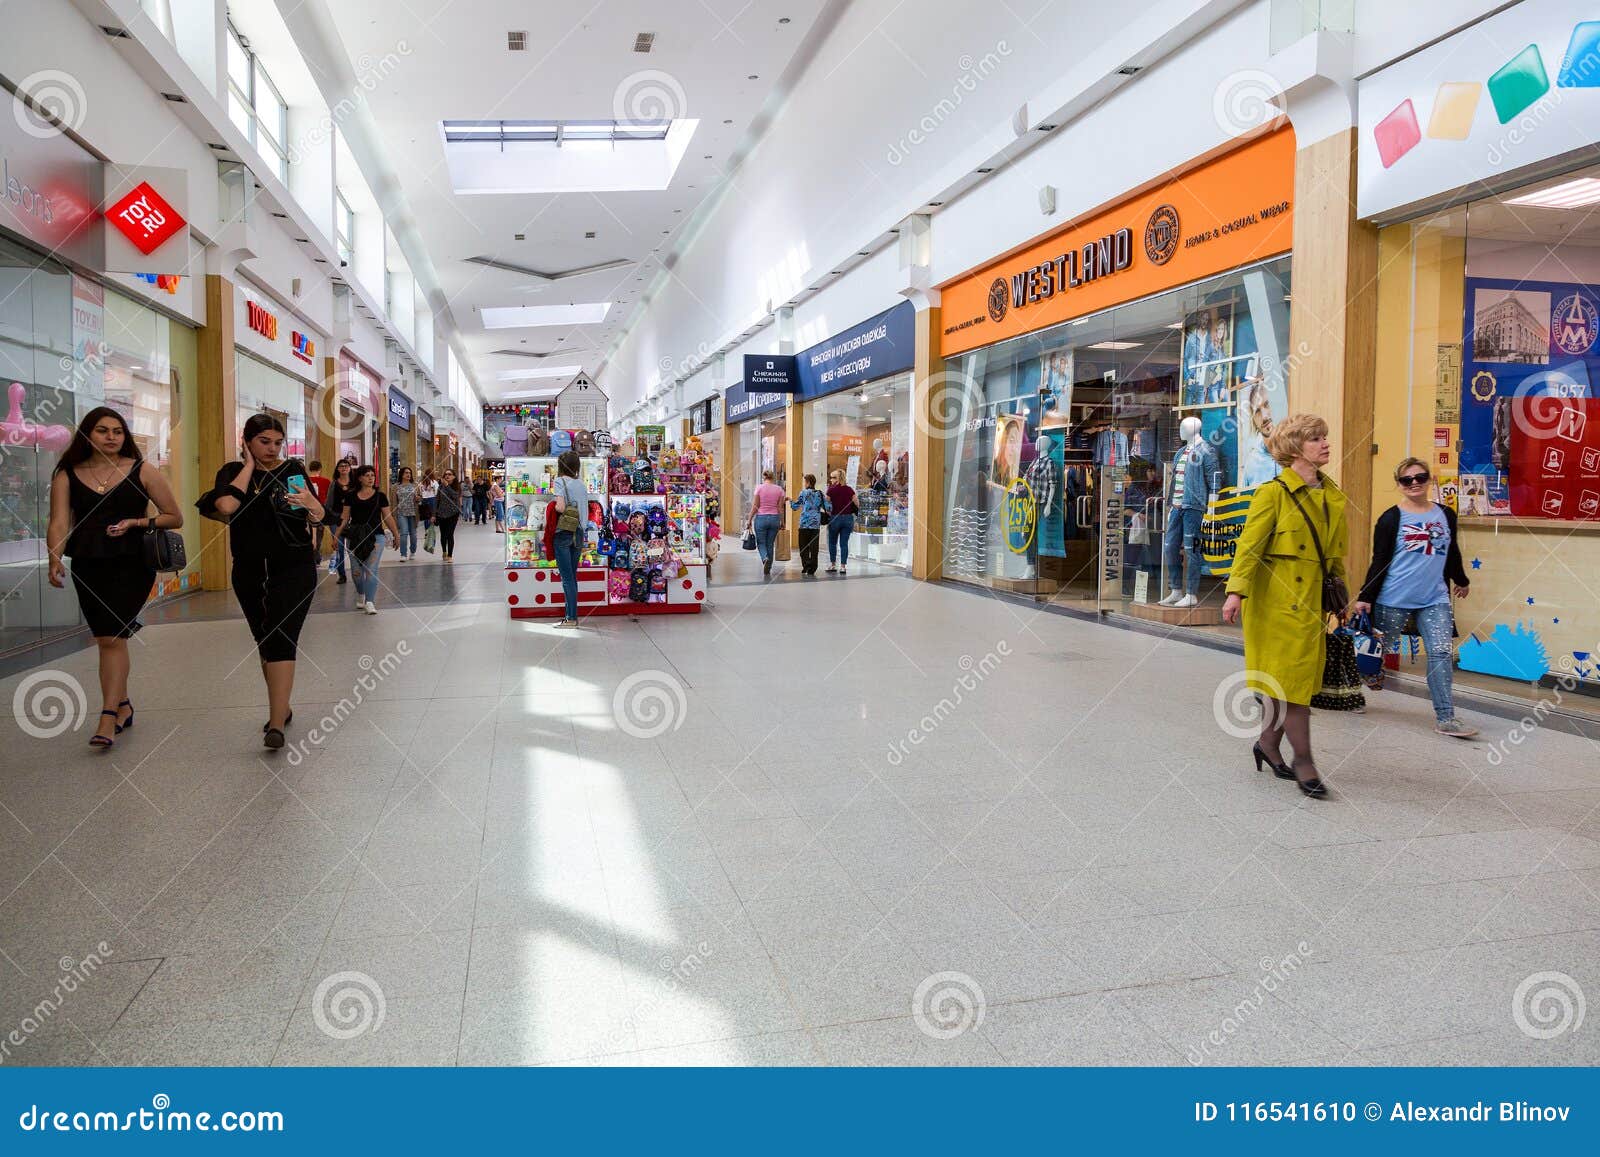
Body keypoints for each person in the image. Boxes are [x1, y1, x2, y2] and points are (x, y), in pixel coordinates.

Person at [1221, 413, 1347, 799]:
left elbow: (1333, 555)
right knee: (1293, 688)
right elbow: (1249, 547)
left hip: (1311, 605)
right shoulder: (1272, 493)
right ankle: (1304, 762)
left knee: (1285, 683)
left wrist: (1342, 597)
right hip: (1276, 607)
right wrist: (1235, 592)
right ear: (1294, 448)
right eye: (1316, 439)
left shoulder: (1331, 495)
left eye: (1324, 437)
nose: (1325, 443)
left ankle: (1267, 745)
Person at [46, 406, 183, 748]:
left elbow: (174, 516)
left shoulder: (142, 470)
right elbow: (59, 521)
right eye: (103, 430)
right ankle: (122, 705)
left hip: (133, 563)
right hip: (89, 563)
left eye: (117, 431)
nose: (111, 437)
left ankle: (107, 717)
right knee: (108, 638)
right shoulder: (67, 473)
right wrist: (53, 557)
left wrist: (137, 522)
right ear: (87, 435)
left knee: (111, 637)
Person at [197, 413, 324, 749]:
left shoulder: (292, 471)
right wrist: (249, 467)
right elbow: (227, 505)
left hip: (294, 567)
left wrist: (312, 505)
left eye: (278, 443)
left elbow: (317, 515)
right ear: (247, 441)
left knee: (281, 637)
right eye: (264, 442)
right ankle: (282, 707)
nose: (272, 449)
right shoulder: (231, 473)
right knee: (265, 640)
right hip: (250, 570)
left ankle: (276, 723)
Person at [1352, 458, 1478, 739]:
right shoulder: (1390, 519)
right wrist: (1365, 596)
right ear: (1398, 484)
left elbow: (1451, 551)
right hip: (1393, 598)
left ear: (1429, 479)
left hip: (1435, 599)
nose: (1414, 483)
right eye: (1407, 480)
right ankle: (1351, 692)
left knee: (1441, 653)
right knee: (1375, 652)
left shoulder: (1446, 514)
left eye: (1420, 477)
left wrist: (1461, 579)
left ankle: (1446, 718)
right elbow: (1380, 560)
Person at [336, 465, 399, 614]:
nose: (371, 478)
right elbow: (344, 518)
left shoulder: (380, 496)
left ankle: (370, 602)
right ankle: (361, 593)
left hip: (376, 536)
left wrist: (396, 534)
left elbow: (387, 516)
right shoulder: (351, 496)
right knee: (356, 572)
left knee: (371, 569)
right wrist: (336, 536)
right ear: (360, 478)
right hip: (355, 537)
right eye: (367, 475)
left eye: (372, 475)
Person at [551, 450, 586, 628]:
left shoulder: (560, 481)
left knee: (566, 578)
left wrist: (551, 507)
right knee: (572, 577)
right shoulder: (581, 484)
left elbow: (560, 507)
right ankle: (571, 616)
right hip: (579, 533)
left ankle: (571, 618)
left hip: (564, 532)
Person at [747, 469, 786, 577]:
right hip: (774, 519)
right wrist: (782, 522)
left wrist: (749, 519)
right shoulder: (779, 489)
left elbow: (755, 506)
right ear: (773, 477)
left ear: (763, 477)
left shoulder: (759, 488)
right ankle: (768, 568)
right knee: (770, 544)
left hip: (761, 518)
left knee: (761, 543)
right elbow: (780, 508)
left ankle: (765, 558)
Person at [790, 473, 829, 576]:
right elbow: (828, 507)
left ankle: (806, 565)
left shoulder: (804, 493)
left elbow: (795, 507)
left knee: (803, 546)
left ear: (808, 482)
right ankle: (813, 567)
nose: (804, 483)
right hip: (815, 524)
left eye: (805, 481)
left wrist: (790, 501)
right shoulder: (820, 493)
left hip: (804, 523)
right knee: (814, 547)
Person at [825, 469, 858, 576]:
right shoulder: (849, 489)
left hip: (835, 518)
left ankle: (833, 565)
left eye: (832, 477)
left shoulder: (831, 490)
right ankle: (843, 567)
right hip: (848, 518)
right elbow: (857, 503)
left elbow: (826, 504)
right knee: (844, 543)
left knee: (832, 542)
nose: (830, 480)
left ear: (837, 478)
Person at [324, 460, 353, 583]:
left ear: (350, 468)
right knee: (339, 548)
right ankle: (342, 574)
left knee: (352, 548)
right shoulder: (334, 484)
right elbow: (328, 502)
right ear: (337, 469)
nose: (344, 468)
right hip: (336, 519)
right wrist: (326, 517)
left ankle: (356, 572)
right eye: (341, 466)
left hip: (352, 520)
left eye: (346, 466)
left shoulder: (355, 484)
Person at [434, 469, 463, 561]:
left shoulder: (457, 487)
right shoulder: (440, 487)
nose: (447, 476)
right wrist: (434, 514)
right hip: (441, 514)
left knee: (449, 534)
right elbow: (437, 500)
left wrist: (447, 486)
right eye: (445, 474)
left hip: (453, 514)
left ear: (454, 476)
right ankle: (444, 551)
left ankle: (450, 555)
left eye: (449, 474)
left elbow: (455, 496)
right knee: (443, 535)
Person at [306, 460, 331, 559]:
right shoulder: (326, 481)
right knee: (319, 535)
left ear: (309, 469)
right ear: (320, 469)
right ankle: (316, 557)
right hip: (320, 511)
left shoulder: (305, 481)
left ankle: (311, 557)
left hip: (306, 511)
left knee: (308, 535)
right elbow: (328, 498)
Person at [393, 467, 419, 559]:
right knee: (403, 533)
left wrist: (418, 499)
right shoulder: (396, 486)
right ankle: (403, 554)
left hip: (413, 513)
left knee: (413, 535)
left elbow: (420, 499)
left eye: (409, 473)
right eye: (406, 473)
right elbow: (394, 502)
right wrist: (394, 515)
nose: (408, 475)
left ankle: (413, 552)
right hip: (401, 513)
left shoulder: (415, 485)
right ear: (401, 474)